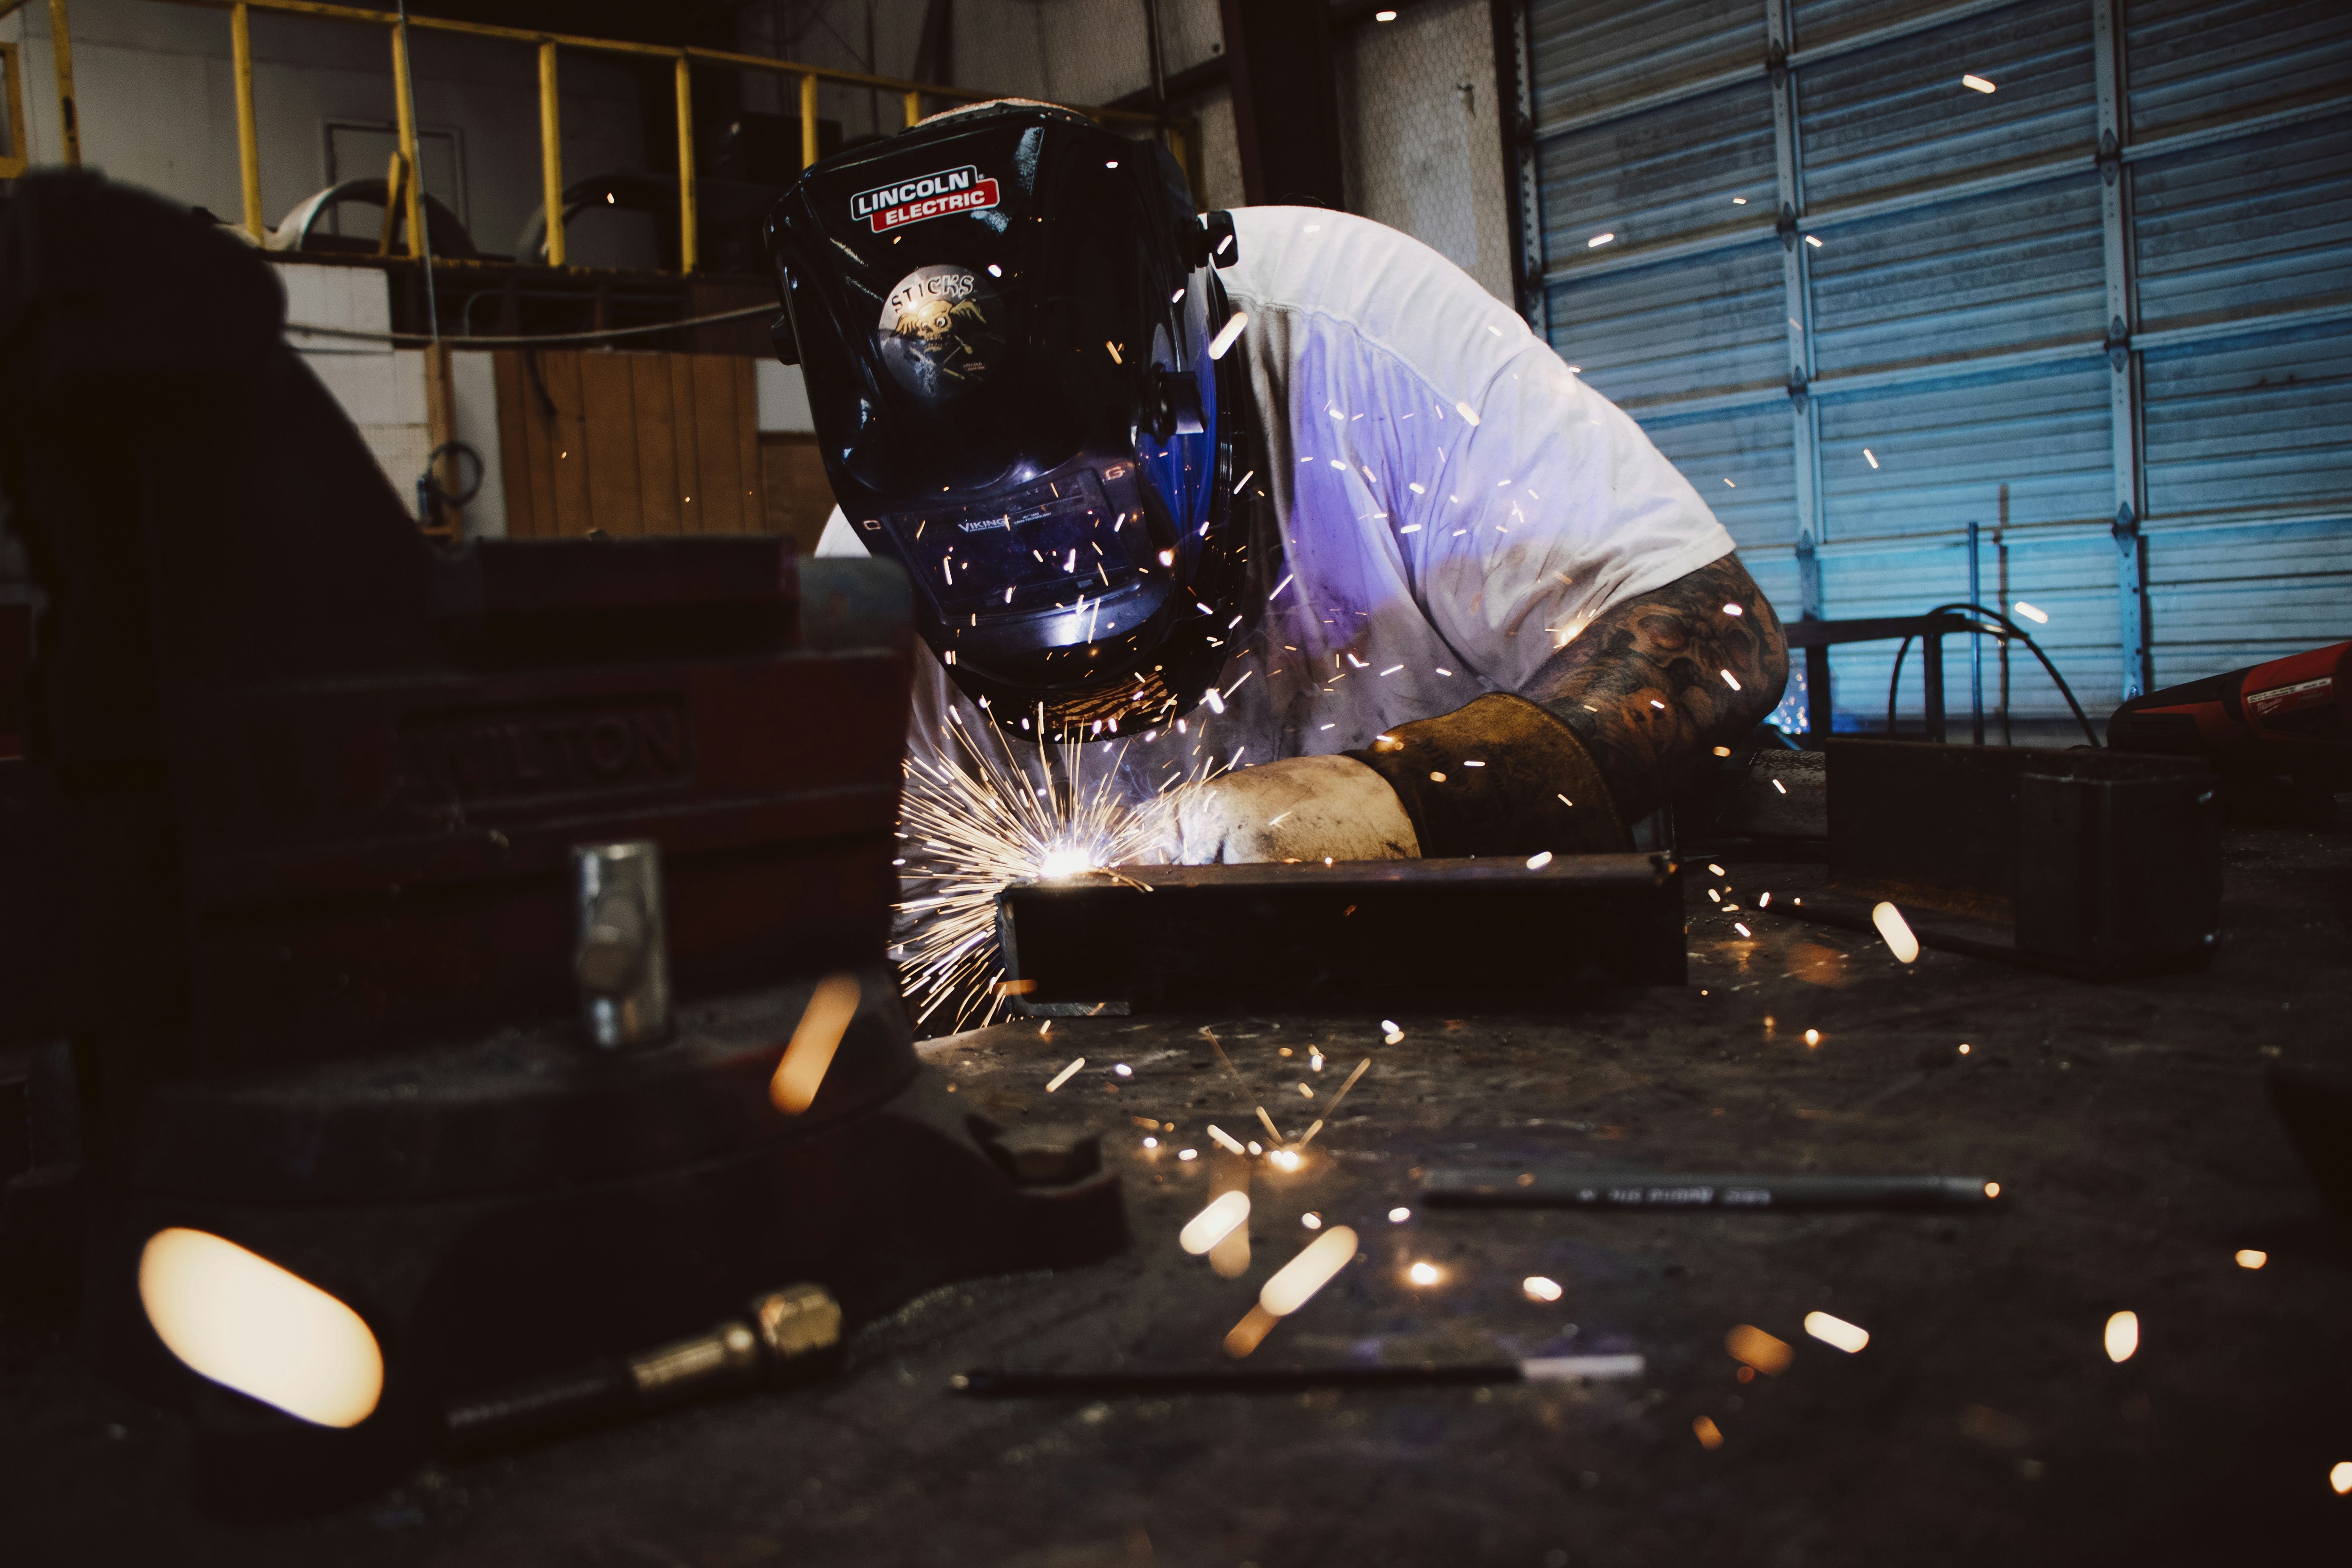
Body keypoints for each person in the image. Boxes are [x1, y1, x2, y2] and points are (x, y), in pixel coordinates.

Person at [765, 99, 1788, 865]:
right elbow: (840, 910)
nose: (1044, 547)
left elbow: (1716, 626)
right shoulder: (878, 560)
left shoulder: (1351, 329)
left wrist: (1393, 795)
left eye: (1096, 498)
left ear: (1183, 355)